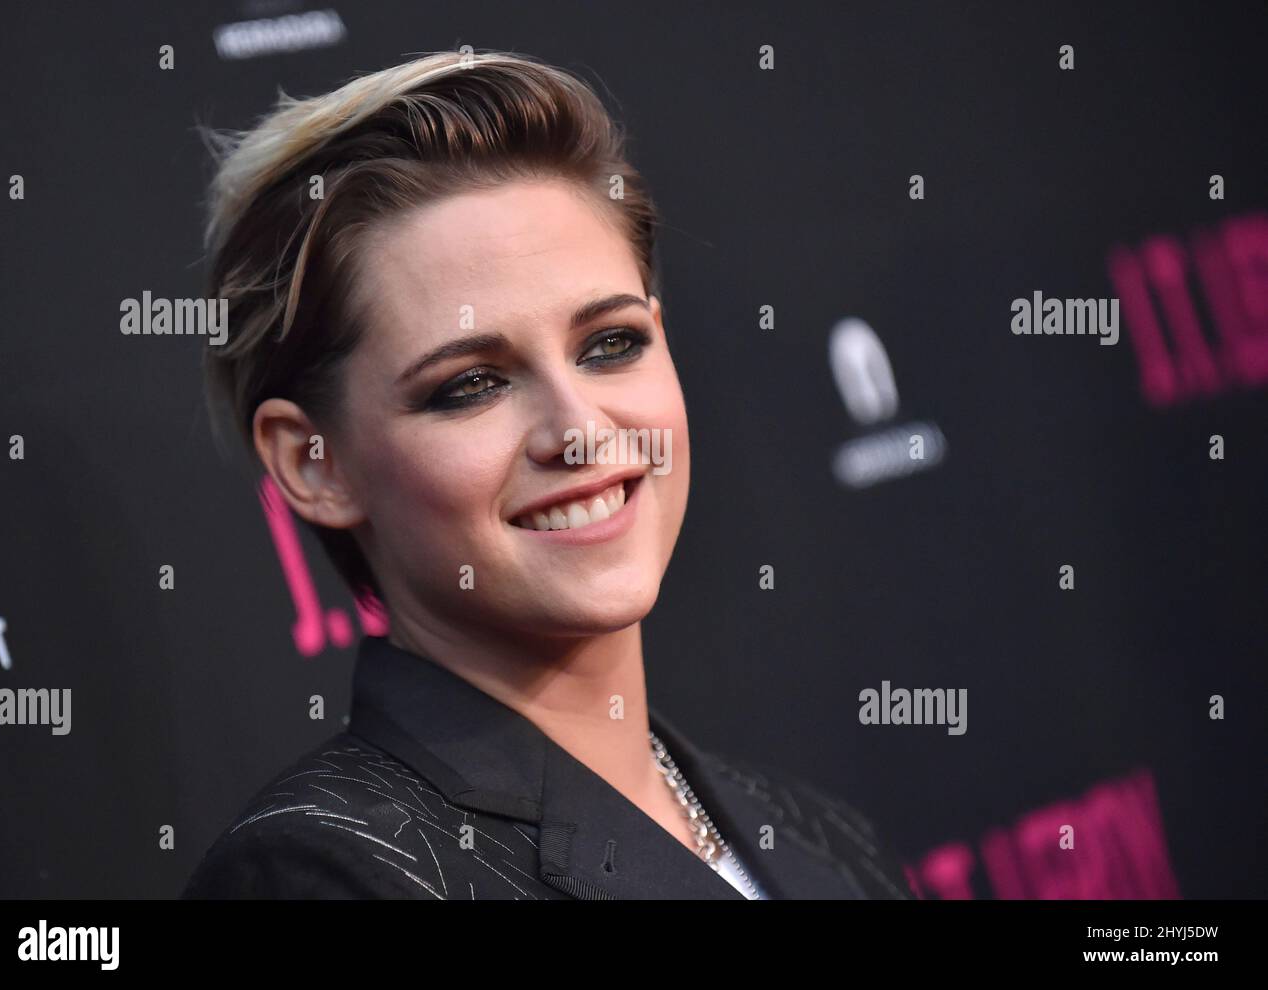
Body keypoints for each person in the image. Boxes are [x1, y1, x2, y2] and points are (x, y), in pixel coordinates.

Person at [181, 49, 916, 900]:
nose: (578, 430)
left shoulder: (824, 838)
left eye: (612, 344)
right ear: (316, 464)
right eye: (471, 385)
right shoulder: (326, 875)